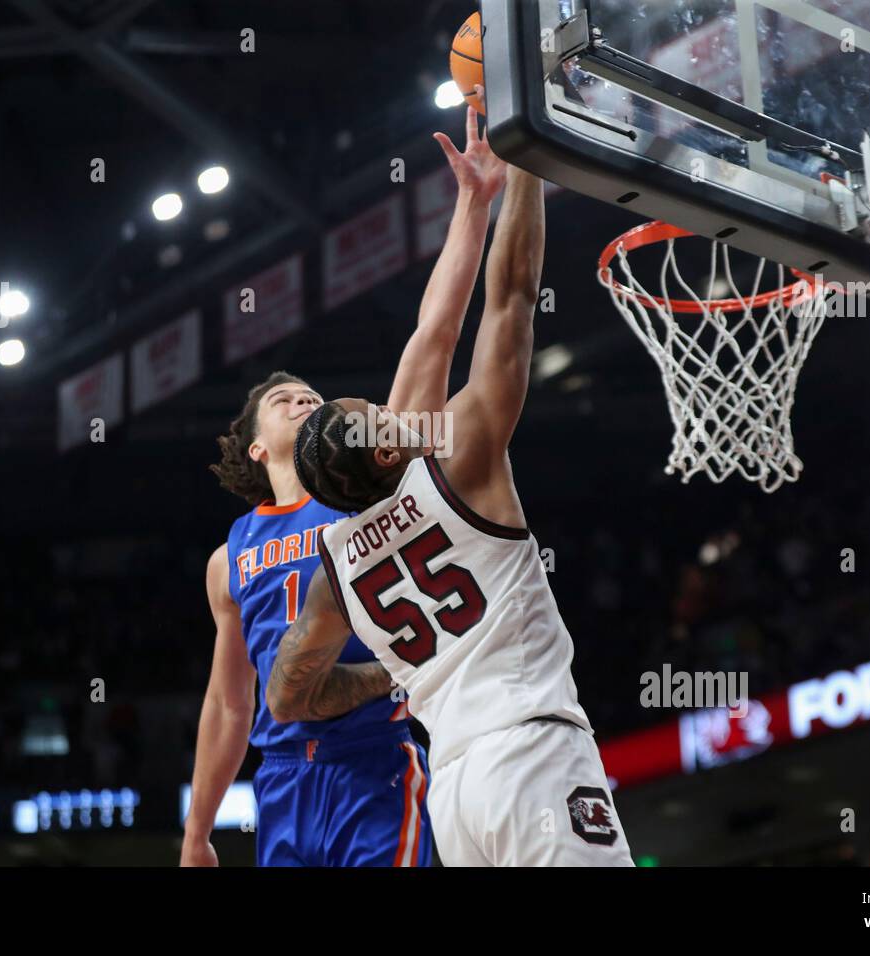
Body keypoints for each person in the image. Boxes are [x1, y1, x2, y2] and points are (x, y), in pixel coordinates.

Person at [267, 165, 635, 866]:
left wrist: (394, 673)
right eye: (376, 414)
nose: (388, 409)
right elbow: (514, 299)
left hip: (455, 792)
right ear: (379, 453)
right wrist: (529, 158)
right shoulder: (455, 462)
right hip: (530, 748)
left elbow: (287, 695)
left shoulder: (336, 567)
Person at [181, 102, 507, 866]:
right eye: (283, 398)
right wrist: (197, 831)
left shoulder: (367, 483)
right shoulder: (230, 558)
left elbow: (434, 338)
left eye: (312, 395)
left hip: (375, 758)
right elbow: (231, 703)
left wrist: (473, 205)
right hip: (284, 785)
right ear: (257, 447)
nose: (304, 397)